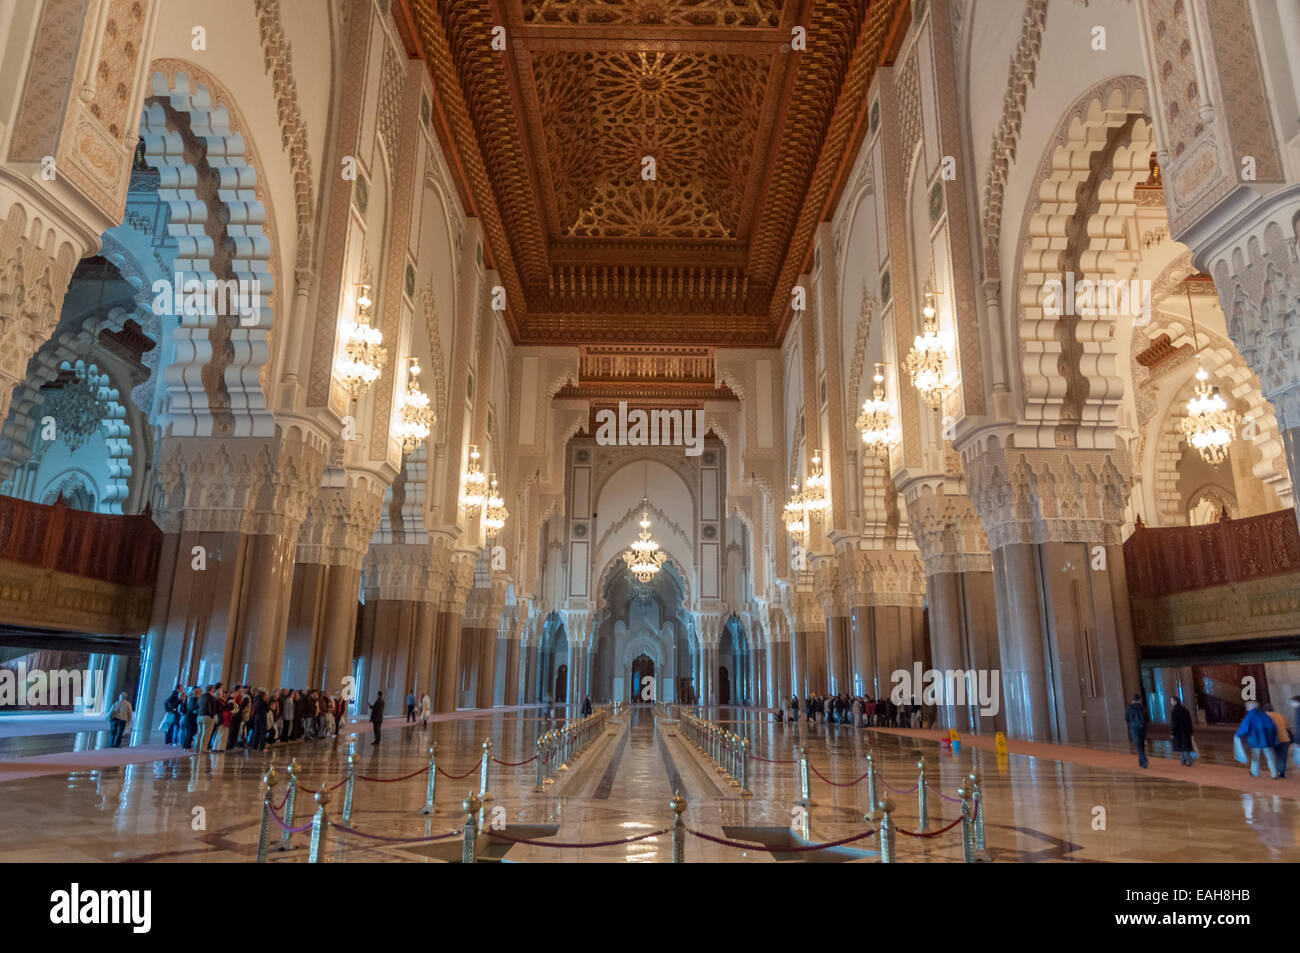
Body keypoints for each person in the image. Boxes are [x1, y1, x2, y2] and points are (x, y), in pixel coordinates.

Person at [1235, 701, 1279, 778]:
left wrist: (1238, 735)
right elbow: (1273, 727)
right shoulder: (1264, 715)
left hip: (1254, 740)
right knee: (1270, 757)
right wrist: (1274, 737)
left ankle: (1255, 773)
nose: (1247, 708)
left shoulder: (1249, 716)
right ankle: (1274, 774)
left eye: (1247, 707)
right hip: (1266, 740)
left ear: (1250, 708)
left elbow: (1244, 726)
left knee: (1255, 757)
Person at [1263, 703, 1291, 779]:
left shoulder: (1268, 717)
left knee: (1277, 757)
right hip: (1286, 739)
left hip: (1277, 740)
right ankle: (1282, 773)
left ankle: (1278, 773)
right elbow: (1286, 726)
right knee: (1283, 757)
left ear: (1265, 711)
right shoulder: (1280, 715)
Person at [1124, 693, 1149, 768]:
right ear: (1139, 699)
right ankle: (1141, 762)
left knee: (1138, 745)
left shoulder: (1129, 708)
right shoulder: (1143, 707)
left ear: (1133, 699)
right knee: (1142, 744)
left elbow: (1126, 718)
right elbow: (1147, 719)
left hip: (1134, 728)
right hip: (1143, 728)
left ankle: (1144, 760)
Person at [1169, 697, 1195, 766]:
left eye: (1171, 701)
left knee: (1183, 747)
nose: (1170, 702)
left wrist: (1172, 733)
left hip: (1179, 732)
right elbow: (1189, 721)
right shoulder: (1185, 710)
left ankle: (1190, 761)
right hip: (1186, 731)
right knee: (1184, 746)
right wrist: (1191, 731)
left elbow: (1174, 723)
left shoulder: (1174, 711)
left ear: (1175, 701)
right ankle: (1183, 761)